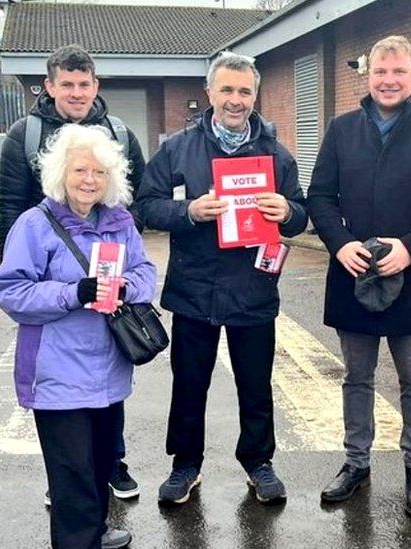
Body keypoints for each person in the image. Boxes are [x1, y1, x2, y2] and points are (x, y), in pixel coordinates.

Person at [135, 51, 307, 506]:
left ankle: (259, 462)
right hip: (194, 290)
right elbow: (146, 204)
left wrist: (287, 211)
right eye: (227, 90)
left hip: (253, 287)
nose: (235, 100)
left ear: (255, 95)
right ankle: (185, 464)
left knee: (256, 384)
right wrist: (188, 211)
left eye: (244, 91)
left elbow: (300, 213)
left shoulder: (274, 151)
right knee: (190, 385)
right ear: (209, 92)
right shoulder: (179, 147)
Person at [307, 35, 411, 518]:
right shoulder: (341, 129)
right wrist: (341, 243)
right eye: (380, 71)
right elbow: (320, 198)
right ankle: (356, 463)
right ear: (368, 74)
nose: (389, 80)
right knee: (357, 377)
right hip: (352, 272)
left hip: (408, 277)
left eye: (398, 72)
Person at [0, 124, 156, 549]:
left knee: (101, 464)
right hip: (57, 372)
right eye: (81, 170)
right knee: (72, 476)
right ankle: (77, 541)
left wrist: (125, 288)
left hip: (108, 370)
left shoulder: (120, 223)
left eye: (100, 173)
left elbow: (145, 273)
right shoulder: (35, 224)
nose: (90, 180)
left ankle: (94, 533)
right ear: (61, 174)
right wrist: (72, 293)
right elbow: (9, 291)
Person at [0, 44, 146, 502]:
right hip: (51, 272)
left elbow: (134, 199)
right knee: (62, 399)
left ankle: (110, 466)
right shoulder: (25, 135)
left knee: (106, 387)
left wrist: (123, 268)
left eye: (84, 84)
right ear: (50, 86)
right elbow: (10, 204)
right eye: (68, 84)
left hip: (105, 281)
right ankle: (68, 485)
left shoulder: (118, 132)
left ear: (95, 86)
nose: (77, 92)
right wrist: (32, 275)